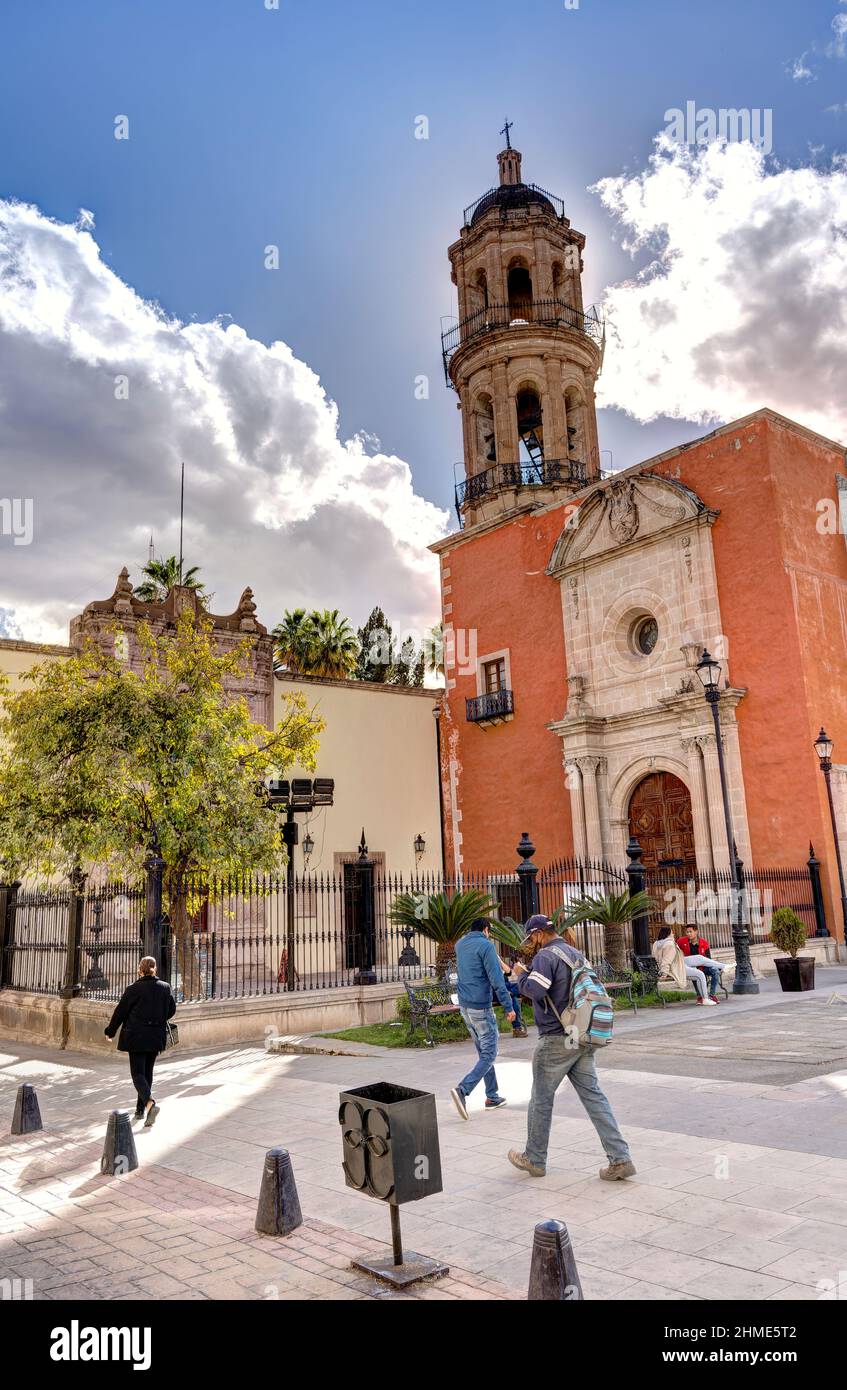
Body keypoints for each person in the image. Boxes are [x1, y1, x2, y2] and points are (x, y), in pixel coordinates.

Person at [506, 915, 635, 1180]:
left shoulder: (545, 956)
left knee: (541, 1097)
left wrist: (520, 975)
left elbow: (536, 991)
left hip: (556, 1037)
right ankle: (620, 1158)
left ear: (540, 933)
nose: (530, 942)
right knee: (594, 1097)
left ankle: (535, 1158)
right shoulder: (576, 954)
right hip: (582, 1033)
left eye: (531, 937)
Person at [450, 919, 516, 1118]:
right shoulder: (486, 946)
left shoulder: (460, 944)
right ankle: (463, 1090)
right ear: (486, 930)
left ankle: (492, 1096)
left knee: (484, 1053)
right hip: (481, 1007)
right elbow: (497, 980)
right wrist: (508, 1007)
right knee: (489, 1053)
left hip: (465, 1006)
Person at [104, 956, 177, 1126]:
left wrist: (110, 1031)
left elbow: (120, 1012)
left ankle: (150, 1104)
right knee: (147, 1073)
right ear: (155, 968)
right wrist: (158, 1018)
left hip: (136, 1037)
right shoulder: (165, 988)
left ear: (140, 969)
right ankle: (140, 1110)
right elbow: (172, 1009)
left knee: (137, 1074)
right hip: (155, 1036)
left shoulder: (133, 989)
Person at [653, 926, 715, 1006]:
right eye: (672, 932)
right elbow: (666, 961)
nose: (673, 934)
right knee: (700, 974)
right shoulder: (670, 944)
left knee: (699, 958)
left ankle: (724, 966)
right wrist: (664, 973)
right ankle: (705, 999)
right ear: (668, 934)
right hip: (675, 968)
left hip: (673, 965)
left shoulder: (656, 944)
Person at [677, 925, 726, 1001]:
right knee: (695, 972)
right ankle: (700, 996)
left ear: (696, 931)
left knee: (715, 971)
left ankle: (712, 995)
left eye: (690, 932)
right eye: (687, 932)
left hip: (704, 967)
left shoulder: (704, 943)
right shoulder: (681, 941)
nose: (688, 934)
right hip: (691, 967)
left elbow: (708, 959)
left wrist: (718, 967)